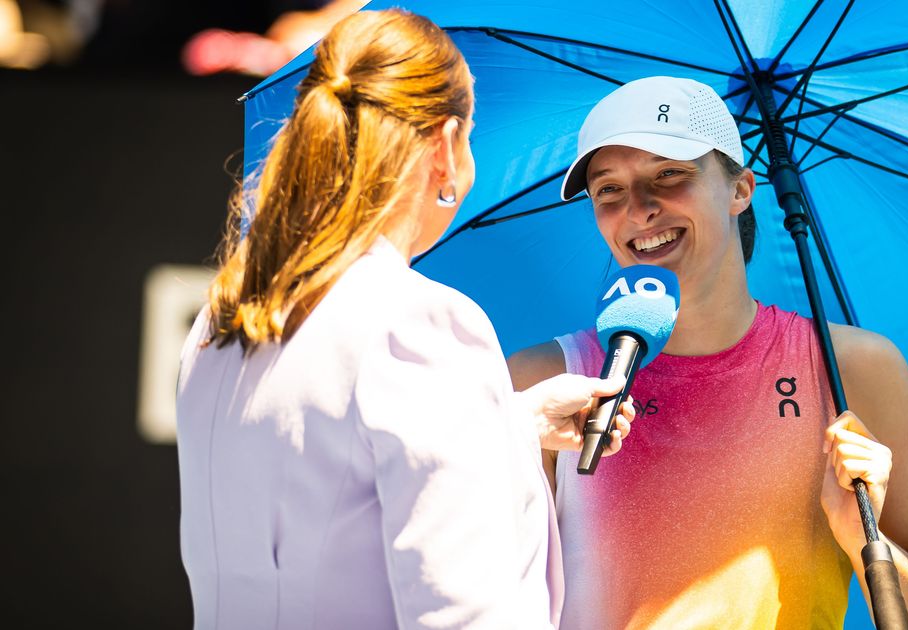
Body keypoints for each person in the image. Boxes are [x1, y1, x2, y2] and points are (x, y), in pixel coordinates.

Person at [175, 10, 633, 629]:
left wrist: (510, 424)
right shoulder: (419, 320)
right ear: (445, 146)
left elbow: (332, 491)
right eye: (470, 134)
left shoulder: (221, 321)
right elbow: (465, 607)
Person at [508, 76, 908, 629]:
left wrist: (861, 542)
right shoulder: (541, 382)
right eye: (608, 190)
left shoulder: (853, 368)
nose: (639, 209)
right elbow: (478, 589)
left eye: (669, 174)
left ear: (740, 189)